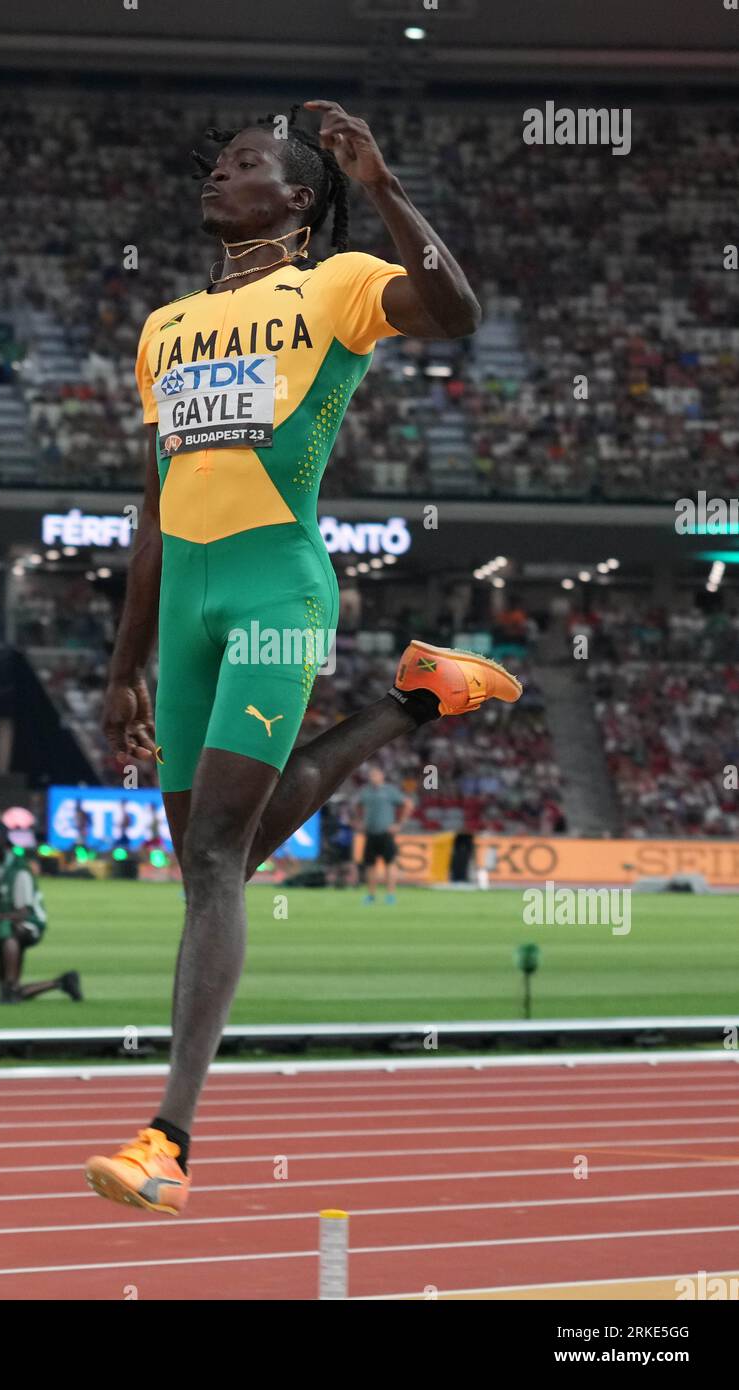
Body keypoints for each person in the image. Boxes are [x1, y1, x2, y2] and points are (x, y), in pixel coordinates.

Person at [85, 100, 521, 1215]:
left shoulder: (333, 284)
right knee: (207, 854)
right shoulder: (166, 324)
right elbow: (149, 509)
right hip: (184, 601)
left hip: (278, 583)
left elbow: (458, 312)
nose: (213, 178)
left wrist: (380, 184)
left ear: (294, 198)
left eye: (240, 166)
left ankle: (167, 1139)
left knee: (221, 850)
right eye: (216, 165)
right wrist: (124, 663)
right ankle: (414, 699)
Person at [0, 821, 82, 1004]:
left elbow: (23, 912)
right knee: (7, 994)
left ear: (2, 842)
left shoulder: (19, 870)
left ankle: (12, 985)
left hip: (30, 922)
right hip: (3, 923)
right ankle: (62, 982)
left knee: (8, 929)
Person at [356, 765, 412, 904]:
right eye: (371, 775)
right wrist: (360, 821)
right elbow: (358, 805)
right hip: (370, 833)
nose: (372, 777)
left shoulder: (389, 791)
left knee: (390, 863)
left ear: (382, 776)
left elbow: (407, 804)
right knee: (370, 865)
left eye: (375, 774)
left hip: (386, 833)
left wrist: (399, 824)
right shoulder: (366, 791)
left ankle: (390, 895)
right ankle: (371, 895)